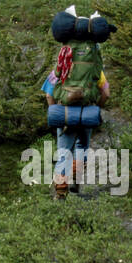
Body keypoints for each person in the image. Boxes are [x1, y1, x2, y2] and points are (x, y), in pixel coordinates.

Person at [42, 21, 110, 199]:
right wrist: (96, 107)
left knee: (64, 154)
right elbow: (106, 93)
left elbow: (48, 94)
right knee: (82, 148)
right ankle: (76, 182)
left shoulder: (61, 67)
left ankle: (60, 195)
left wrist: (55, 111)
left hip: (64, 114)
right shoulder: (95, 69)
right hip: (86, 113)